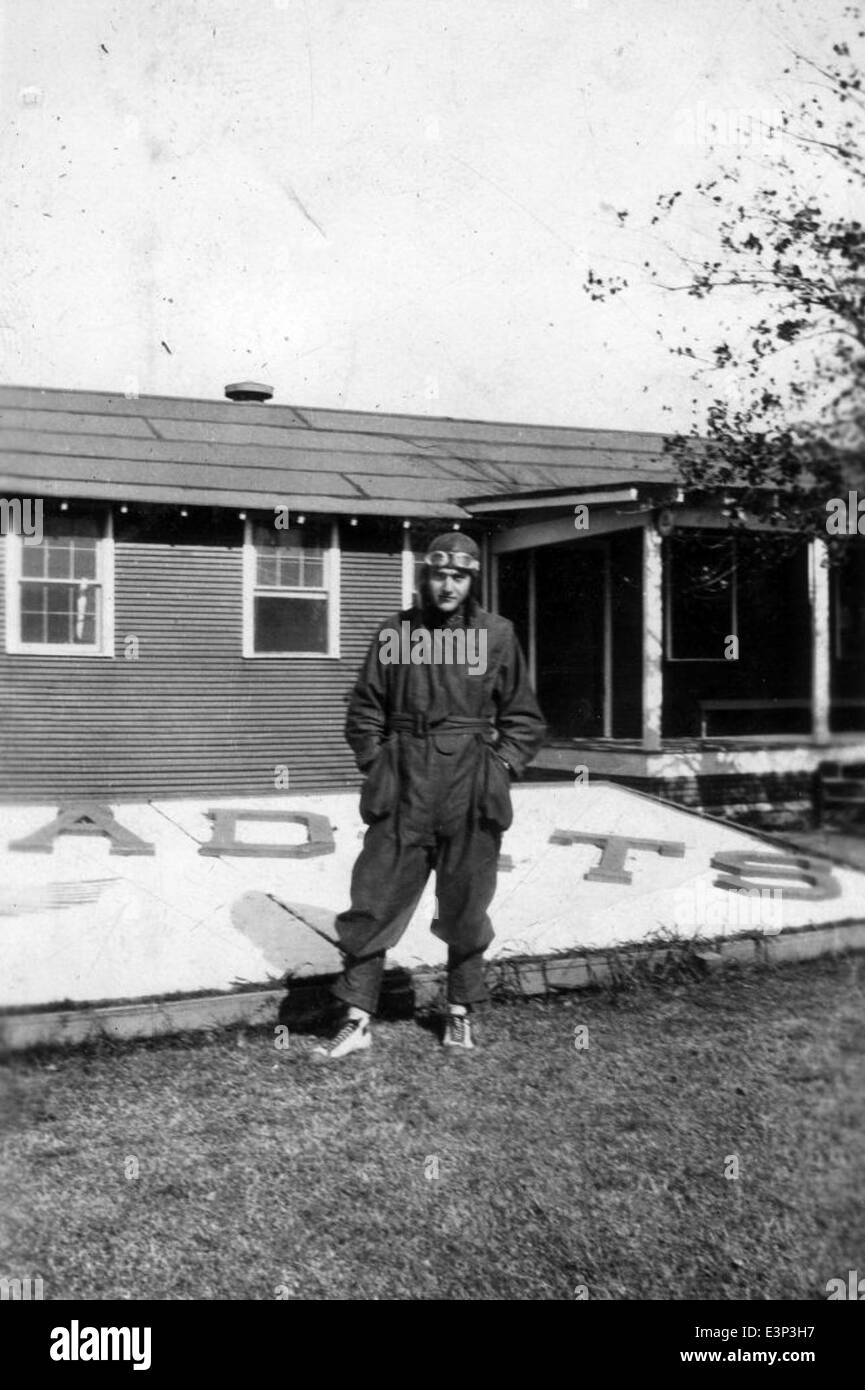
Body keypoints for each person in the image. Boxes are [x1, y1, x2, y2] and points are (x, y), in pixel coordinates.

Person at [311, 531, 546, 1061]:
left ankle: (459, 1012)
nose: (448, 585)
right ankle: (357, 1017)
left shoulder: (497, 635)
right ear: (425, 577)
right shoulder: (396, 633)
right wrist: (379, 764)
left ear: (472, 580)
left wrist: (500, 766)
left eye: (459, 576)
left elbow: (523, 718)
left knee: (466, 901)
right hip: (405, 781)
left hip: (470, 782)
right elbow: (364, 710)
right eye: (440, 574)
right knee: (374, 899)